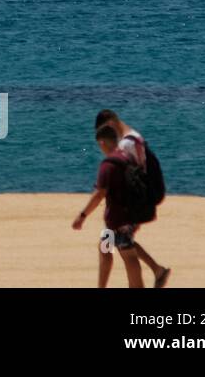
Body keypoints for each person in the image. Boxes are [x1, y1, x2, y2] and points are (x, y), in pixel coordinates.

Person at [93, 109, 171, 287]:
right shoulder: (130, 138)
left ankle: (156, 271)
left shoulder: (127, 143)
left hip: (128, 207)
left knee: (124, 250)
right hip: (122, 207)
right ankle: (158, 270)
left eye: (105, 130)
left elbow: (131, 176)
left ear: (111, 124)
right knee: (110, 246)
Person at [72, 125, 150, 287]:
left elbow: (99, 194)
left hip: (119, 217)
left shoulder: (108, 164)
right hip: (130, 214)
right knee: (105, 247)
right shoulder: (127, 157)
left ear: (102, 142)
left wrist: (82, 215)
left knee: (128, 254)